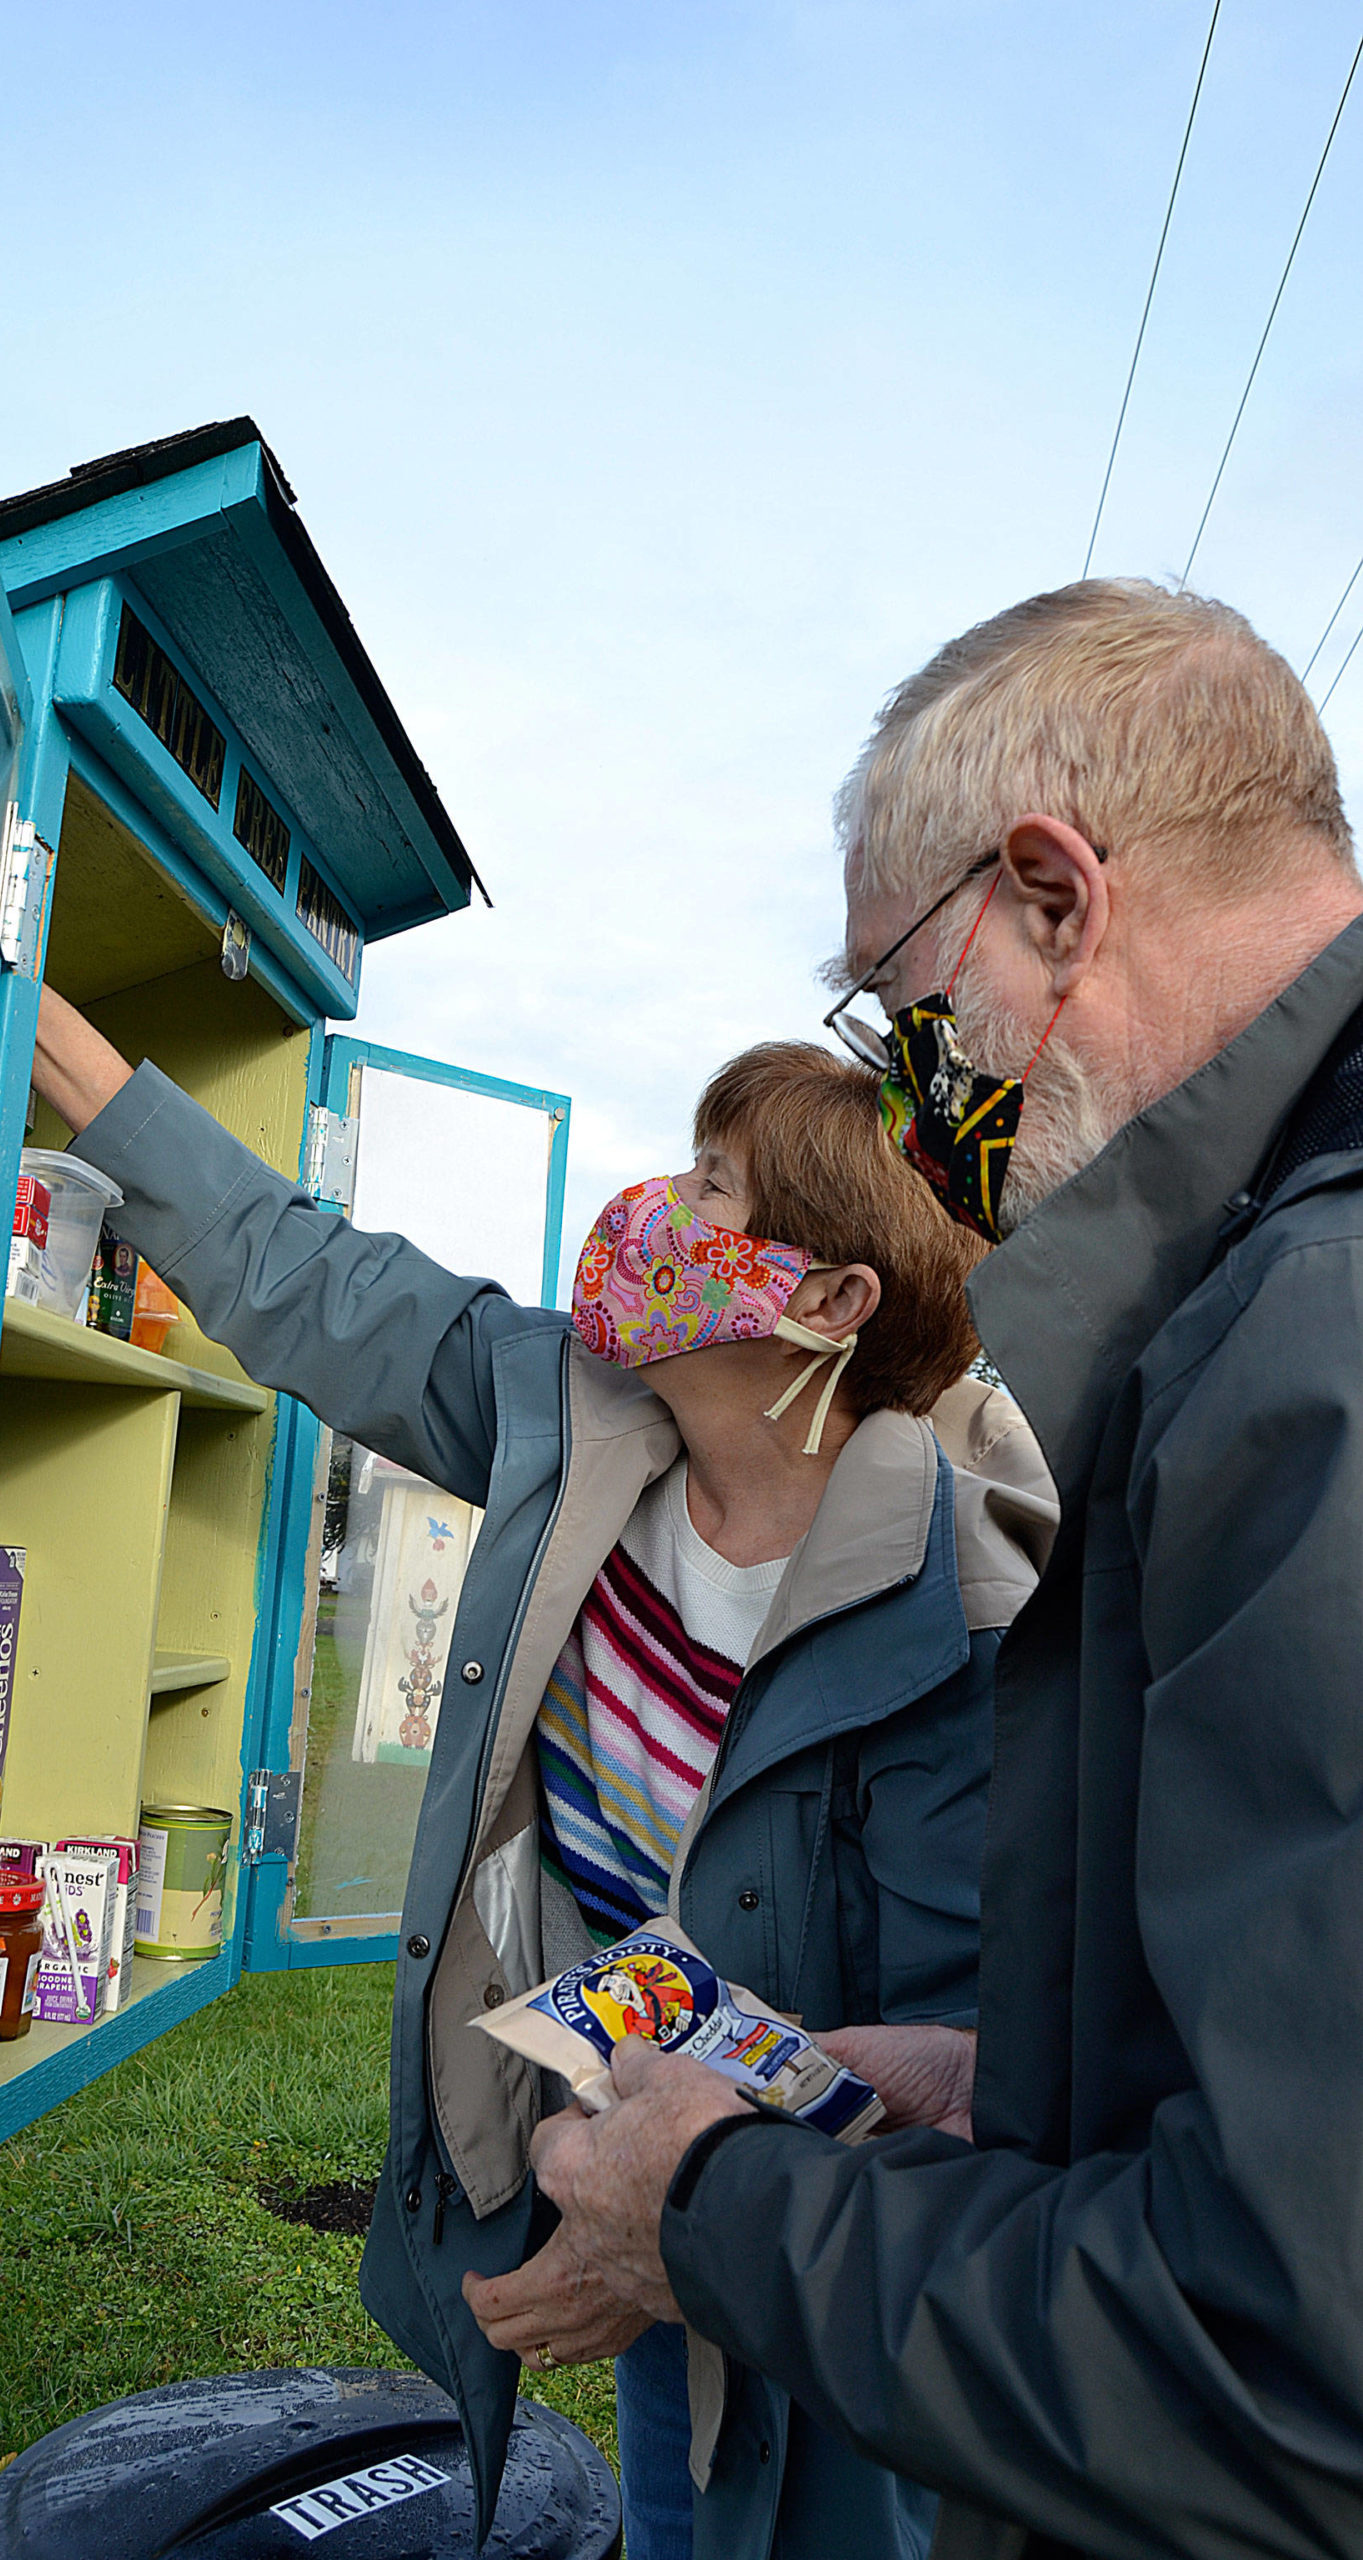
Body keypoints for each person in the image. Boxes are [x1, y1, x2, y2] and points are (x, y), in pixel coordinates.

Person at [531, 576, 1363, 2560]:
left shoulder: (1311, 1338)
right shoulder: (1263, 1294)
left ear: (1053, 898)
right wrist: (1017, 2080)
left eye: (899, 1002)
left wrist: (708, 2207)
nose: (913, 1105)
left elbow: (1283, 2361)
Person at [28, 1004, 1053, 2558]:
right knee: (672, 2500)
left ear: (829, 1299)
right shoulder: (573, 1421)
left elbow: (966, 2076)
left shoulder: (961, 1615)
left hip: (850, 2274)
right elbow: (308, 1280)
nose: (650, 1210)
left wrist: (690, 2231)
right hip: (645, 2129)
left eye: (710, 1188)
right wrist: (47, 1017)